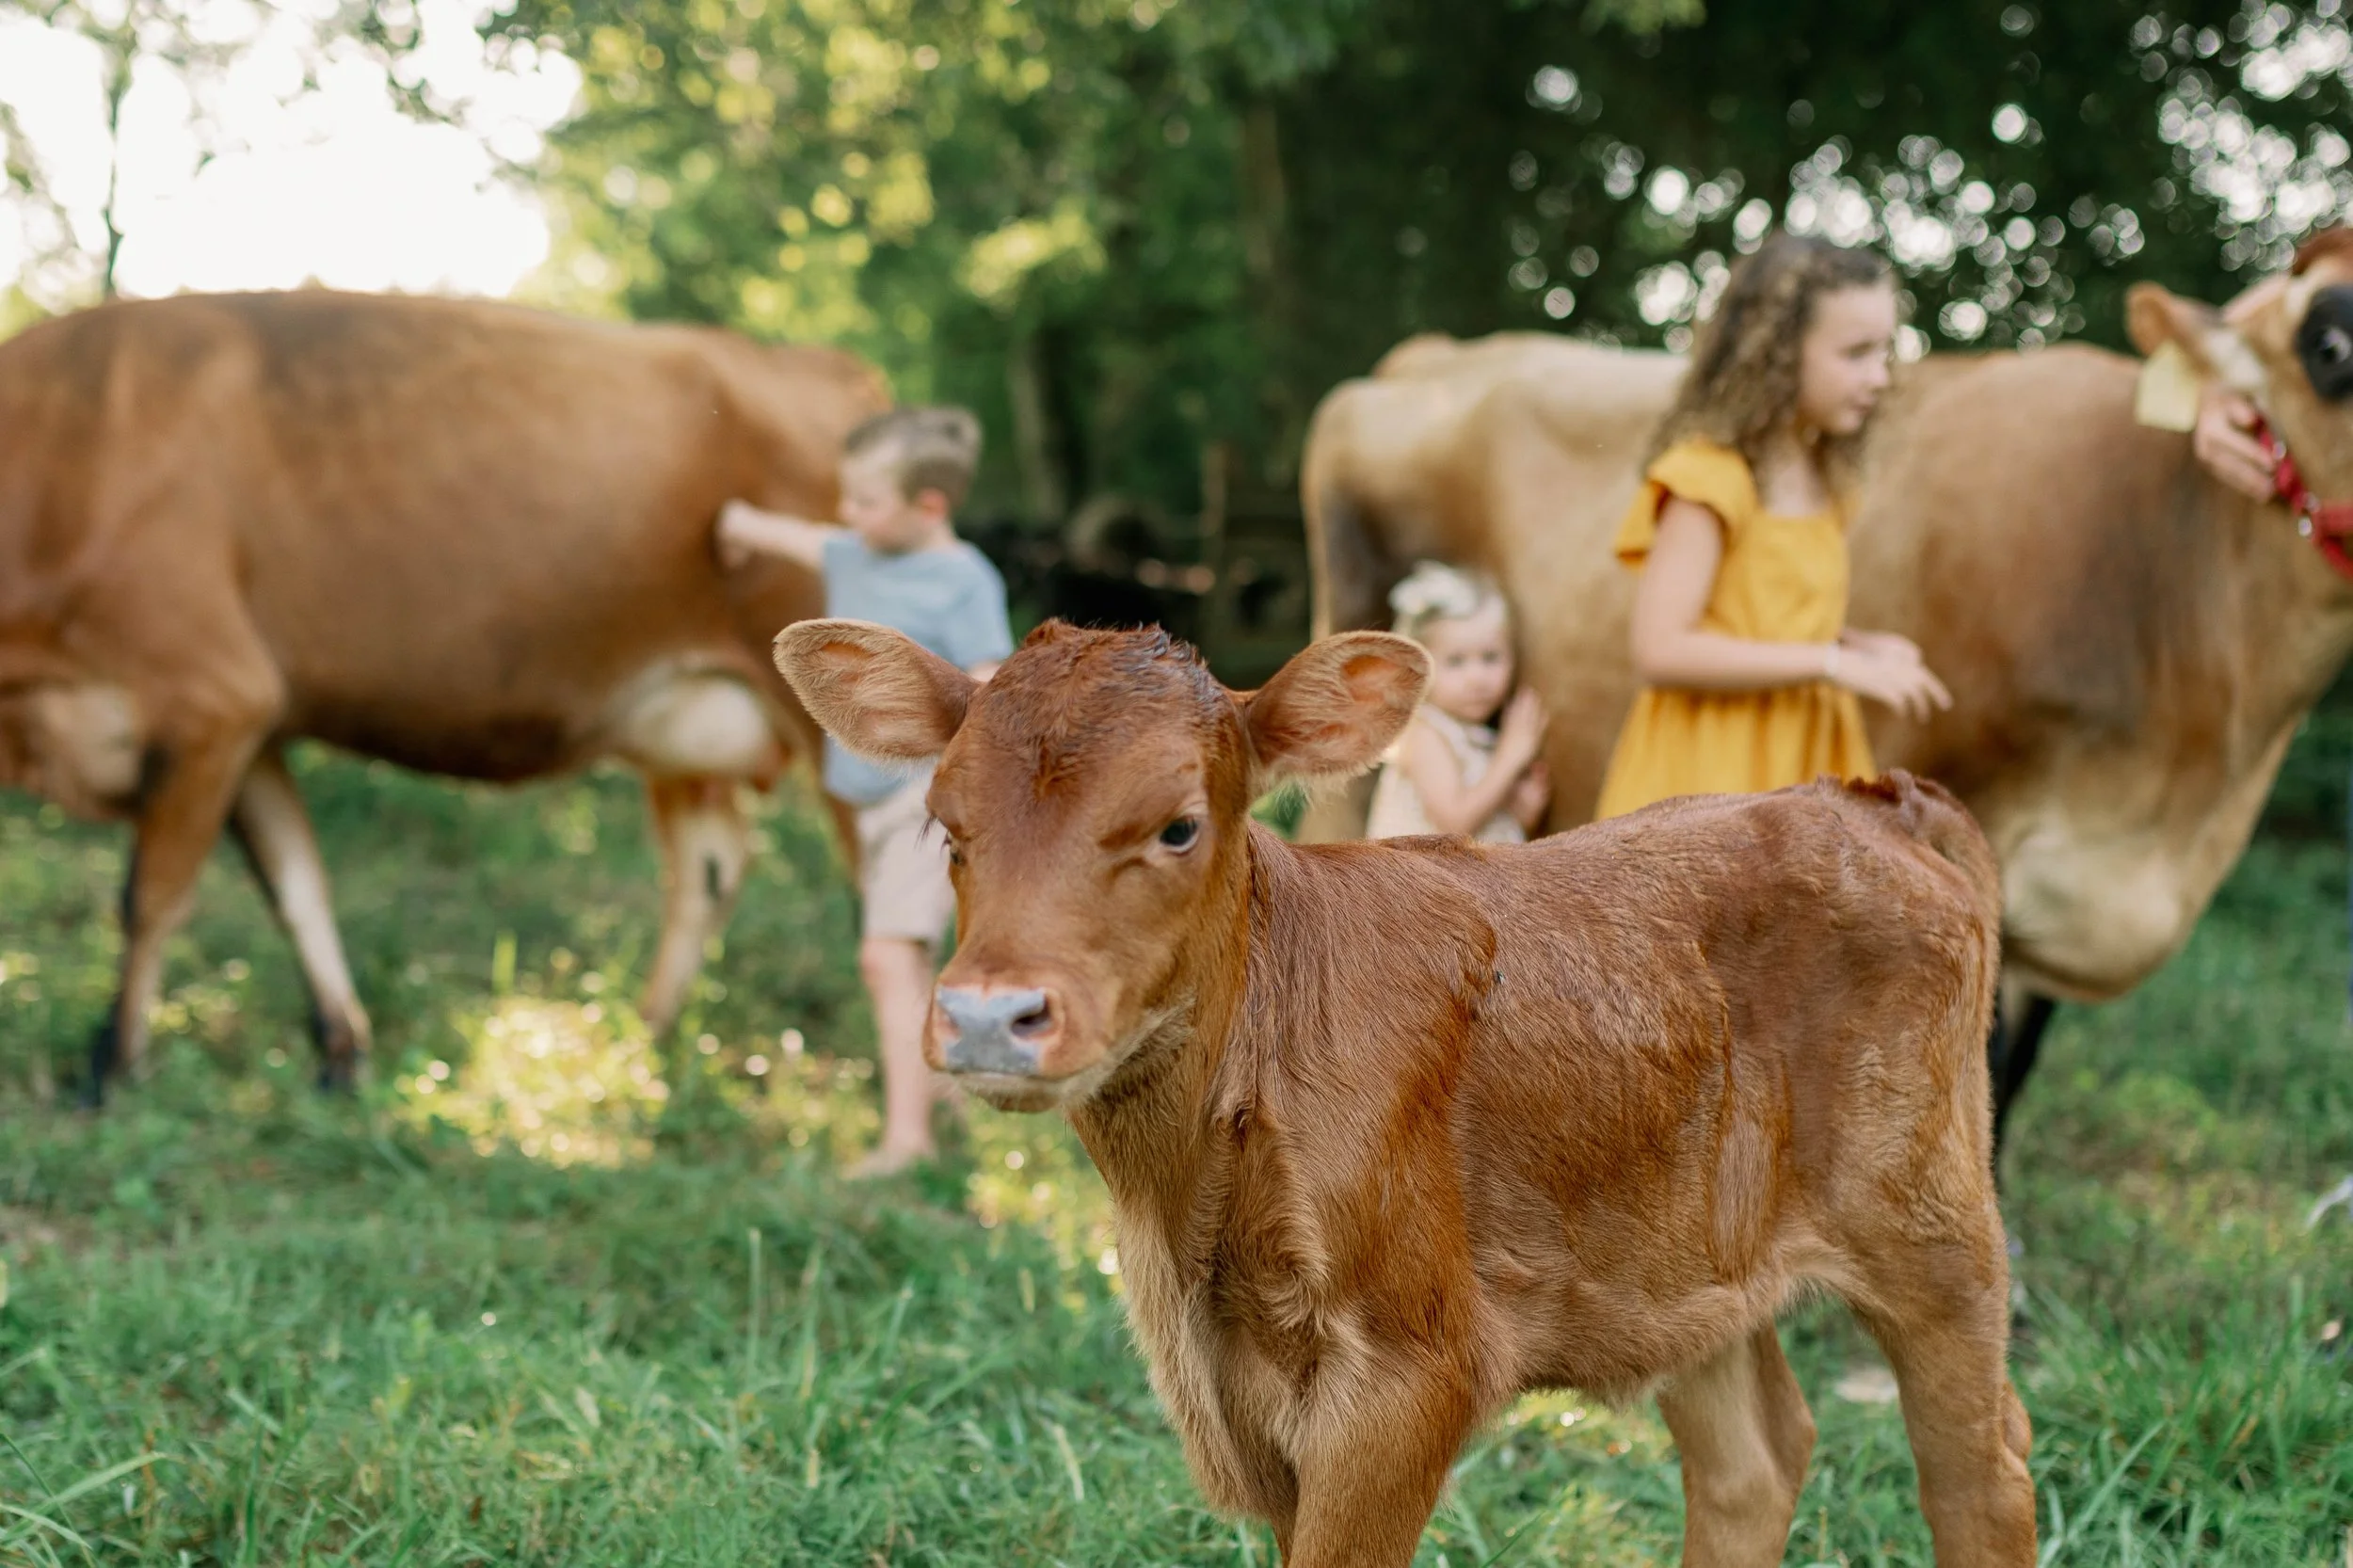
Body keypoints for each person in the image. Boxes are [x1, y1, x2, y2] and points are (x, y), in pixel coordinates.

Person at [716, 407, 1012, 1176]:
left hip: (922, 802)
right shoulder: (856, 548)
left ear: (930, 507)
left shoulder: (964, 579)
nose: (847, 514)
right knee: (905, 962)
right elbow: (806, 538)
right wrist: (742, 523)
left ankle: (907, 1143)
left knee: (888, 956)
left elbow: (988, 681)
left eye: (867, 501)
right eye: (846, 499)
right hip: (867, 801)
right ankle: (941, 1100)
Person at [1593, 232, 1952, 821]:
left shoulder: (1825, 481)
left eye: (1885, 353)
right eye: (1856, 353)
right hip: (1713, 776)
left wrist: (1861, 647)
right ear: (1779, 352)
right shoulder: (1708, 479)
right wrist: (1836, 666)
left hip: (1805, 758)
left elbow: (1765, 617)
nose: (1880, 378)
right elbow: (1662, 648)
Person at [1365, 562, 1550, 841]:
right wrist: (1511, 757)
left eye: (1490, 657)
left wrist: (1521, 820)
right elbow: (1453, 826)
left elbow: (1485, 838)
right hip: (1418, 884)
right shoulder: (1423, 733)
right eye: (1456, 662)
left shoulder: (1476, 737)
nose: (1476, 678)